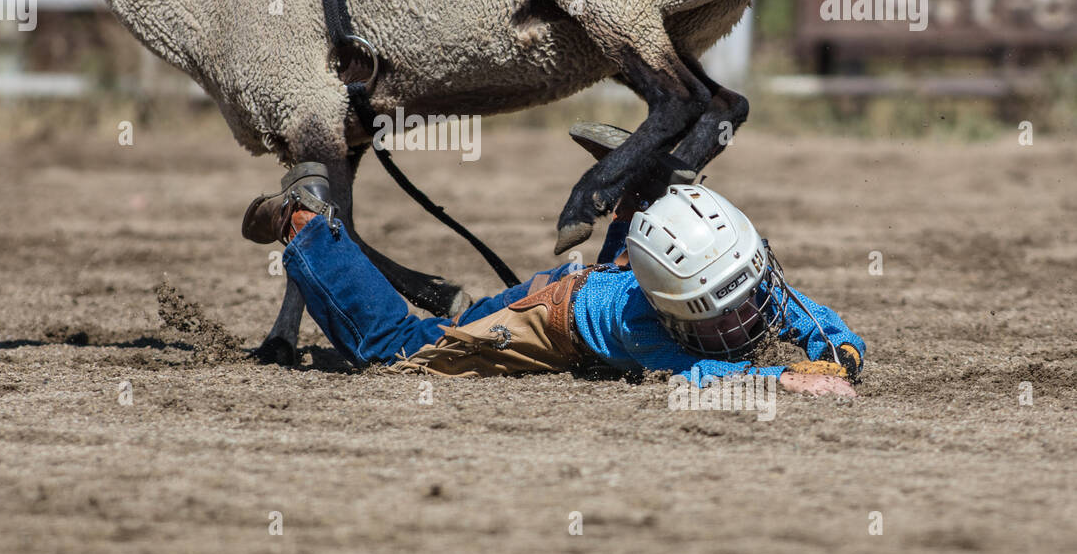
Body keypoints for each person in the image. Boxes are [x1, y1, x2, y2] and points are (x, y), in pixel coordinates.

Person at [242, 124, 863, 396]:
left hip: (614, 281)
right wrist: (782, 378)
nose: (748, 322)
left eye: (748, 299)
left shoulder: (730, 276)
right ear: (675, 320)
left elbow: (798, 309)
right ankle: (308, 220)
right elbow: (704, 376)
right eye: (719, 318)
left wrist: (838, 347)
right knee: (398, 351)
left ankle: (636, 194)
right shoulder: (650, 330)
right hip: (547, 318)